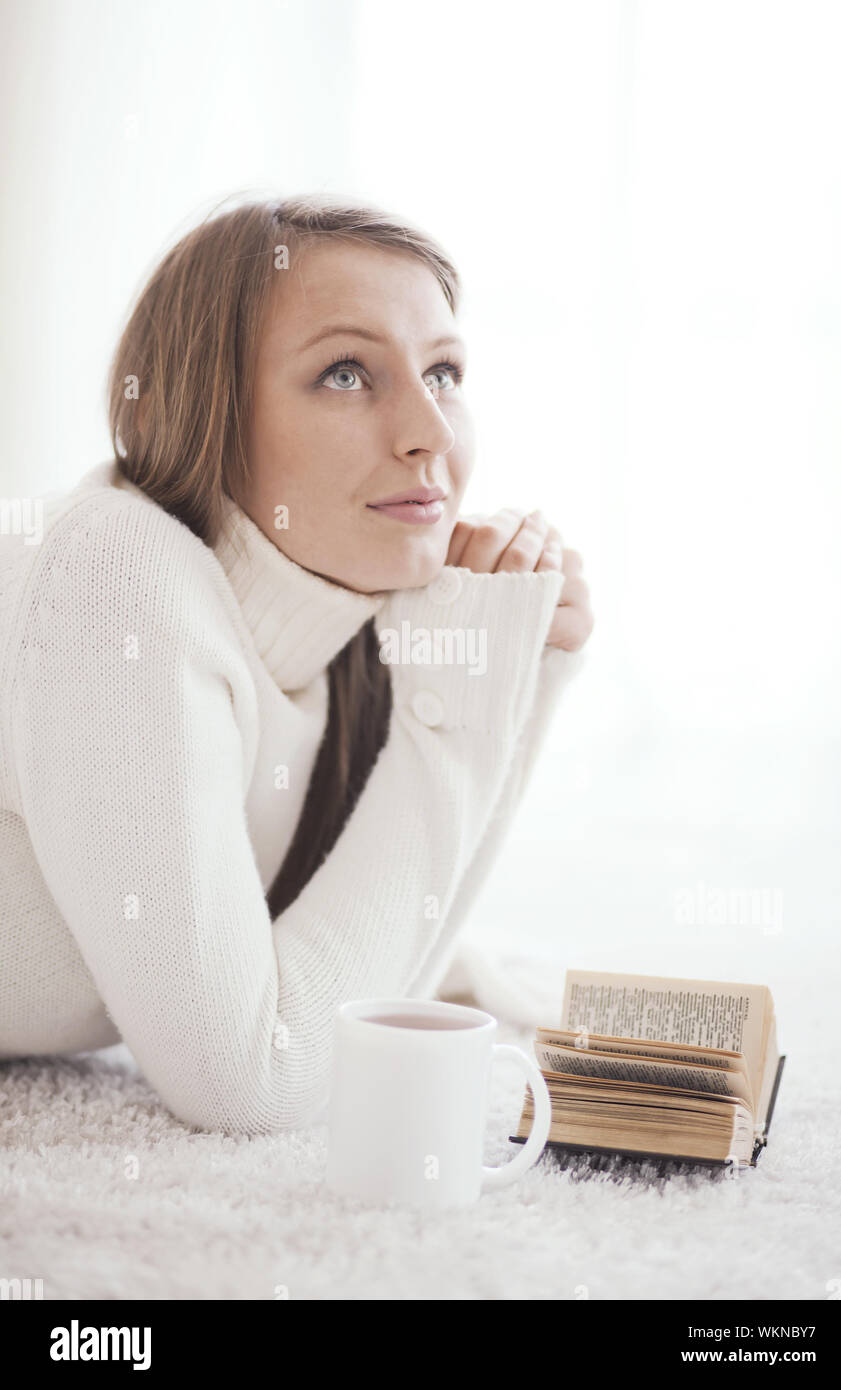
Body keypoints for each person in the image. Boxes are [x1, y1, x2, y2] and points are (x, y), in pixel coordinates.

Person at [0, 195, 593, 1134]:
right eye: (348, 373)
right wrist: (465, 709)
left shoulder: (339, 617)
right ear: (208, 411)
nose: (430, 434)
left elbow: (351, 958)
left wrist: (526, 674)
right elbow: (253, 1081)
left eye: (444, 371)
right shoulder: (115, 575)